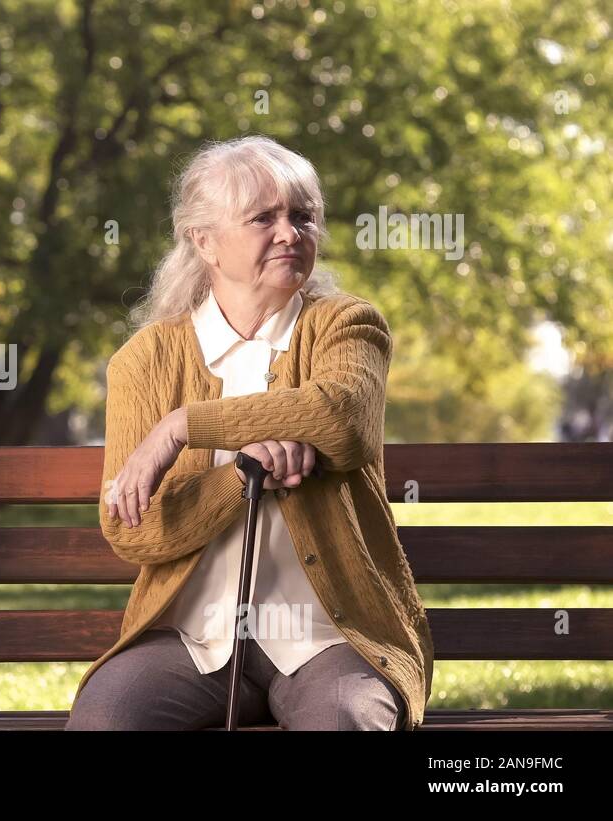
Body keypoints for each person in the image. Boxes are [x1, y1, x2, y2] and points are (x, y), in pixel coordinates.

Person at [66, 136, 433, 731]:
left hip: (332, 637)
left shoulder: (346, 324)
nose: (290, 233)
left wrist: (185, 426)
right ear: (203, 239)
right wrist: (242, 477)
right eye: (264, 217)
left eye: (303, 217)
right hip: (188, 637)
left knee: (345, 722)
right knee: (106, 721)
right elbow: (130, 528)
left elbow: (341, 420)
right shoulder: (146, 359)